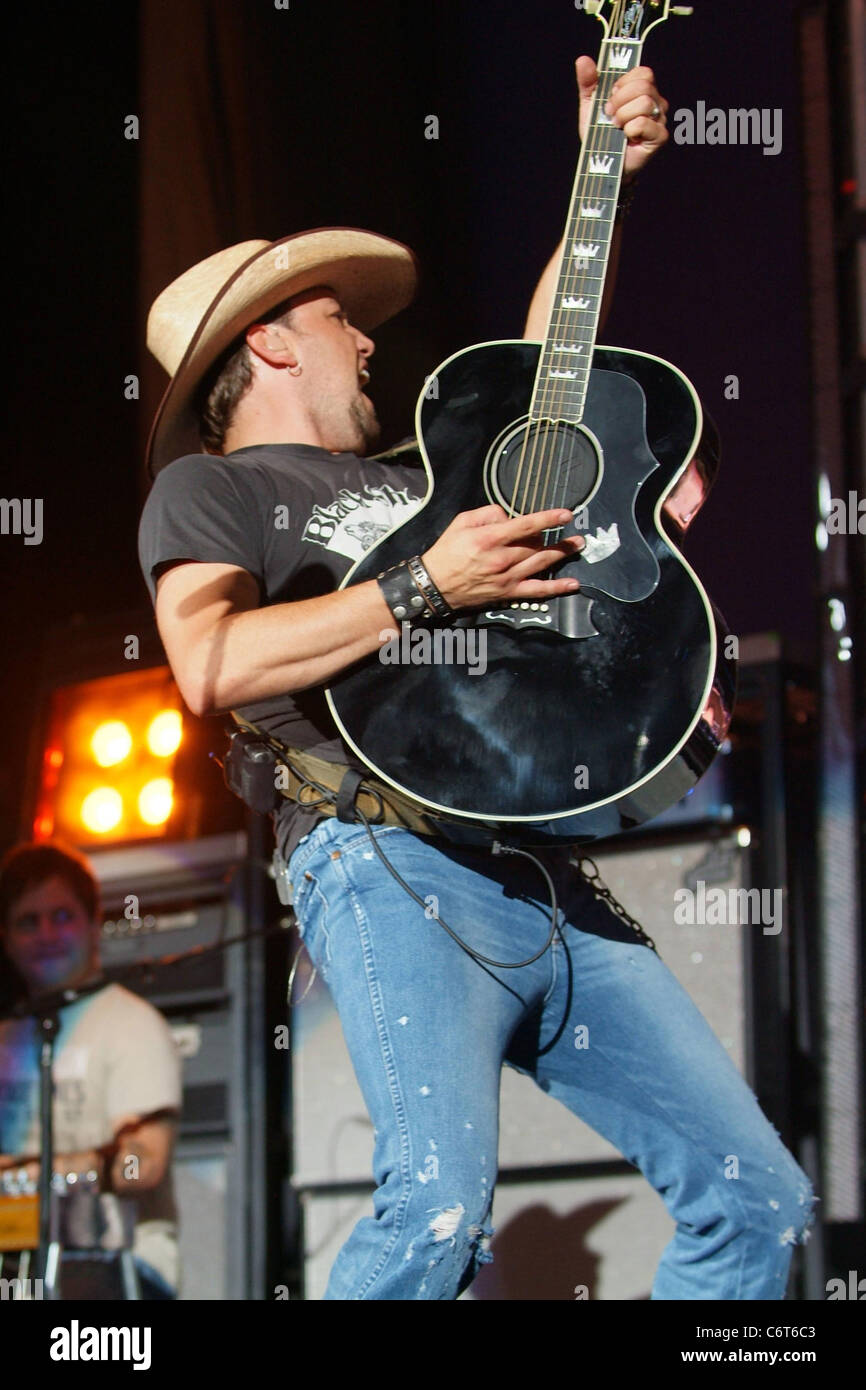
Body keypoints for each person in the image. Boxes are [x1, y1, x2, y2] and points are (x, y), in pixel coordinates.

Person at [138, 58, 815, 1299]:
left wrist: (601, 175)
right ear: (268, 341)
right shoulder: (213, 489)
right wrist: (421, 587)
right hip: (381, 860)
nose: (365, 339)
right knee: (437, 1213)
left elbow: (547, 369)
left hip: (538, 865)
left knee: (757, 1199)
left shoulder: (419, 477)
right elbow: (208, 662)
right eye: (338, 320)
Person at [0, 842, 181, 1299]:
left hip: (120, 1263)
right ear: (6, 938)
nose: (46, 934)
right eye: (28, 921)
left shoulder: (132, 1022)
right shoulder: (5, 1040)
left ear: (93, 923)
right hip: (14, 1259)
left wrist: (31, 1175)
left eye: (61, 916)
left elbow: (143, 1164)